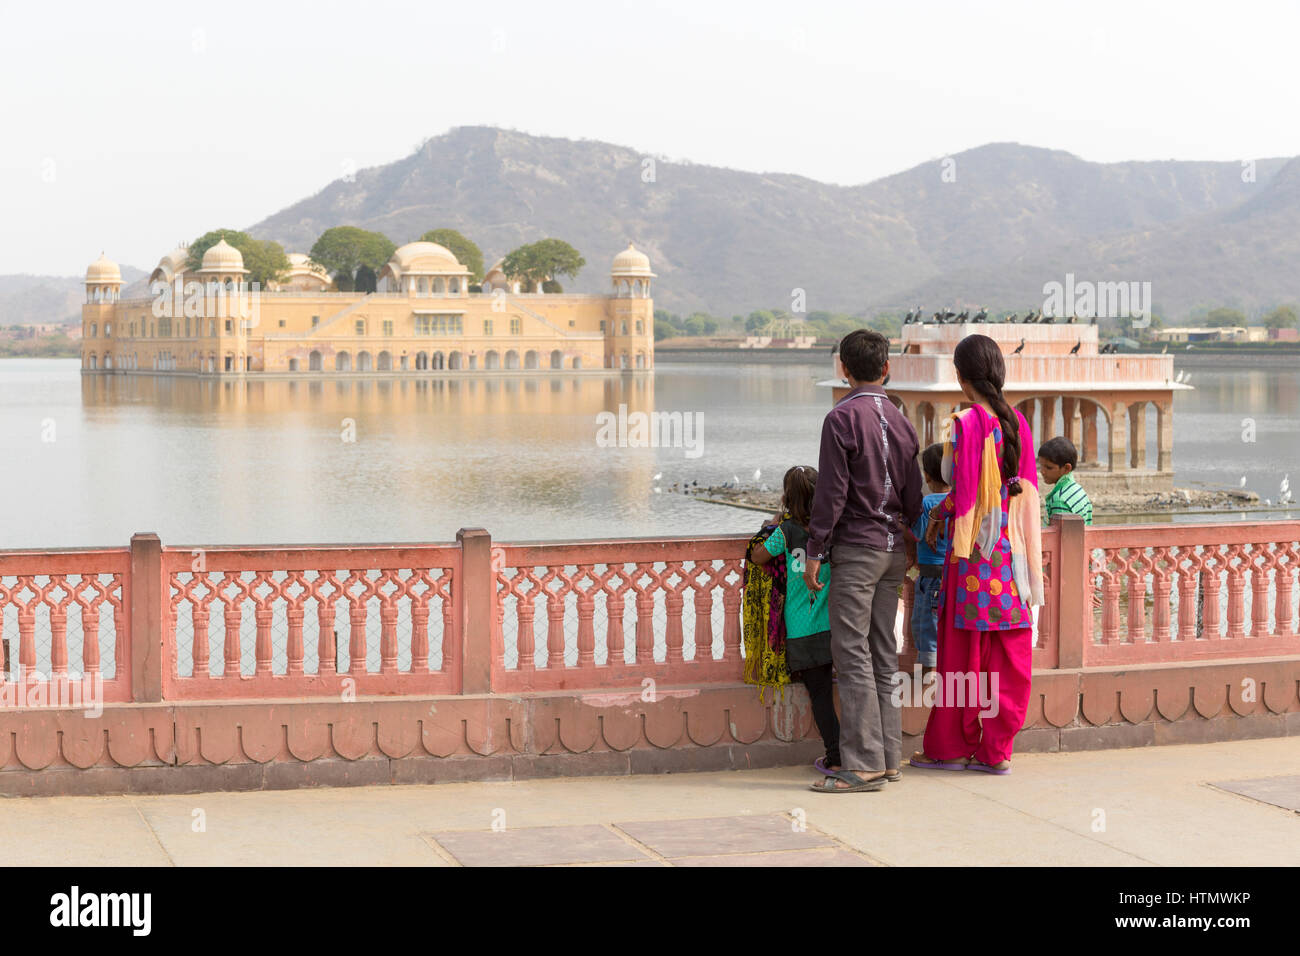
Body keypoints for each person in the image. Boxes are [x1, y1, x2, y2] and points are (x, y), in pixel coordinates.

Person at [911, 333, 1044, 775]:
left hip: (971, 558)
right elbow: (1023, 493)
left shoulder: (966, 424)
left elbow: (965, 496)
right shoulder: (1018, 425)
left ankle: (950, 748)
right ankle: (997, 752)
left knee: (962, 657)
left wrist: (936, 515)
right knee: (1008, 657)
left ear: (960, 374)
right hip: (1012, 558)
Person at [805, 329, 923, 794]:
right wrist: (911, 541)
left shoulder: (841, 418)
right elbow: (915, 492)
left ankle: (863, 764)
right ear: (887, 367)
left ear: (843, 369)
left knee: (850, 653)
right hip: (894, 549)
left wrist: (815, 549)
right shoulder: (901, 419)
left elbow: (831, 494)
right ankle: (888, 757)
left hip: (857, 549)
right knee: (881, 653)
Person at [748, 466, 839, 775]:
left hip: (803, 629)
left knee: (821, 696)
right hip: (837, 626)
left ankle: (835, 756)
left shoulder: (786, 531)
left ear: (788, 498)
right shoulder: (832, 528)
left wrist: (770, 525)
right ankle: (857, 752)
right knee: (849, 691)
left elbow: (758, 556)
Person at [909, 443, 950, 677]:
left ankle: (927, 668)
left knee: (926, 622)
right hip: (947, 572)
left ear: (926, 475)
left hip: (931, 574)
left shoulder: (927, 503)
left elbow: (919, 533)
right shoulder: (958, 501)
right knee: (939, 621)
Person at [1038, 436, 1093, 525]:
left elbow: (1062, 537)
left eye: (1049, 467)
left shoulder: (1059, 500)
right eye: (1041, 465)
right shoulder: (1078, 490)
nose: (1042, 471)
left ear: (1066, 468)